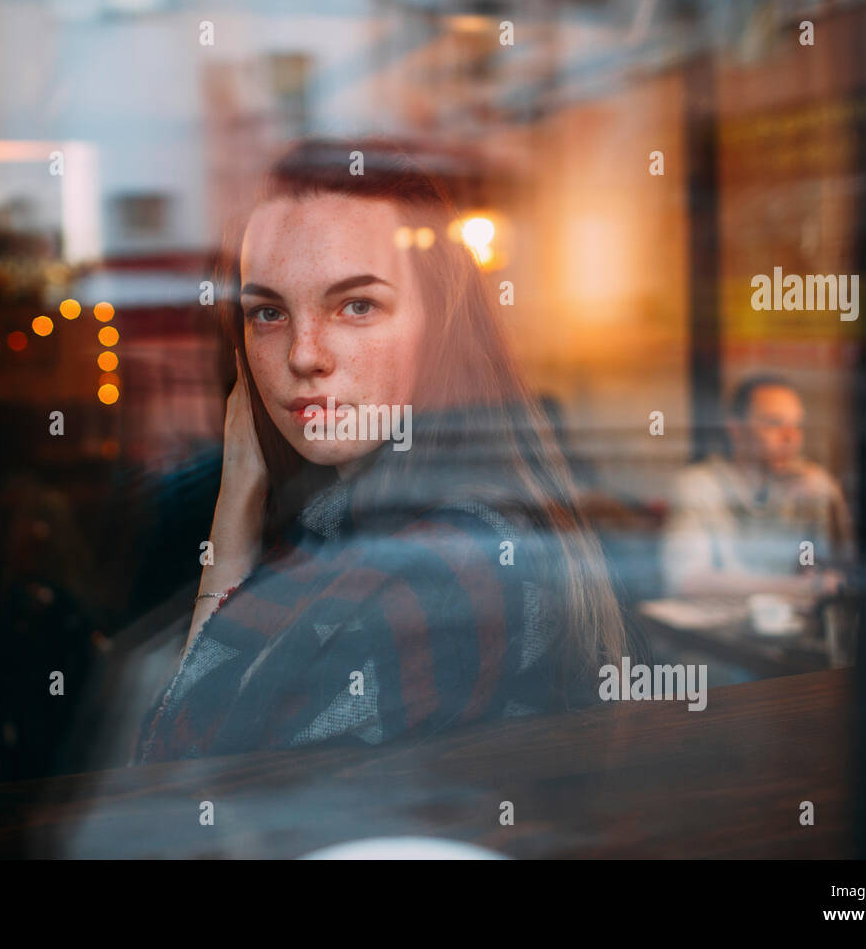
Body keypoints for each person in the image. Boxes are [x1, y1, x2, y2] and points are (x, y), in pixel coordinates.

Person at [133, 140, 627, 764]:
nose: (304, 354)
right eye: (268, 313)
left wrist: (231, 532)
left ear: (441, 324)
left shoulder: (447, 565)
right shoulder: (348, 517)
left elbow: (176, 781)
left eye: (357, 305)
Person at [660, 374, 854, 598]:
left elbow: (837, 572)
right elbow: (685, 581)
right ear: (735, 428)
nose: (790, 437)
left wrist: (831, 497)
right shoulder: (697, 486)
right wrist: (799, 588)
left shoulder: (811, 485)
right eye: (773, 423)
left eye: (797, 425)